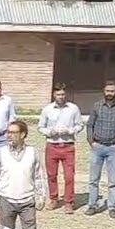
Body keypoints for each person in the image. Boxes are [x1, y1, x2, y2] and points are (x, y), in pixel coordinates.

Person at [84, 80, 115, 217]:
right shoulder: (97, 106)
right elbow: (89, 124)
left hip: (113, 148)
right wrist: (91, 141)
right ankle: (92, 205)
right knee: (93, 179)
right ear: (103, 91)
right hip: (97, 146)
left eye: (112, 91)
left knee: (113, 180)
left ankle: (112, 207)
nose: (110, 93)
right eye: (107, 91)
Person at [36, 82, 82, 212]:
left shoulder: (73, 109)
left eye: (62, 94)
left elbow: (80, 125)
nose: (61, 97)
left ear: (65, 94)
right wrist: (50, 132)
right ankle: (54, 198)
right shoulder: (47, 109)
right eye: (58, 94)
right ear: (54, 95)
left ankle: (69, 202)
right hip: (52, 145)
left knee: (69, 176)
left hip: (68, 145)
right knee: (51, 174)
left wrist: (71, 130)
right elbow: (40, 127)